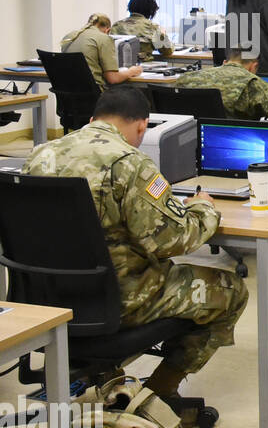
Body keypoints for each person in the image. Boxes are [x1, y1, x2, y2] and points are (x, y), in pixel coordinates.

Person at [21, 87, 248, 400]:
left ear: (93, 119)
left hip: (48, 300)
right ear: (143, 125)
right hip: (121, 301)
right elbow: (173, 240)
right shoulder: (129, 163)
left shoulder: (39, 155)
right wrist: (204, 206)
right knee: (230, 290)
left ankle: (110, 379)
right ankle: (157, 395)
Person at [176, 41, 268, 130]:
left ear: (225, 62)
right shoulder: (252, 83)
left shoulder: (186, 79)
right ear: (253, 66)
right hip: (238, 152)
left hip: (190, 152)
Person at [60, 13, 143, 89]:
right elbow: (112, 78)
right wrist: (131, 71)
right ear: (107, 30)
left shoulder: (70, 37)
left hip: (66, 92)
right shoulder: (103, 38)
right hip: (93, 95)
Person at [111, 0, 175, 61]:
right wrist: (163, 34)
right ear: (150, 10)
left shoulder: (116, 25)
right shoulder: (152, 27)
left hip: (120, 68)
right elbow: (167, 51)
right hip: (143, 68)